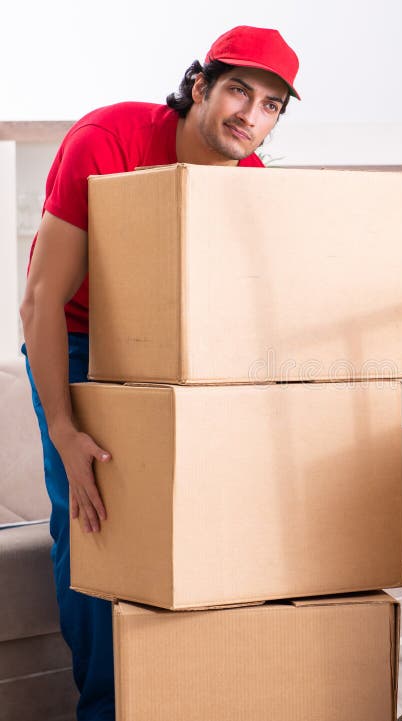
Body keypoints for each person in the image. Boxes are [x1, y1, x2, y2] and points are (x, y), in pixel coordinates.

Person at [18, 25, 300, 721]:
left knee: (194, 519)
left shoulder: (248, 182)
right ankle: (106, 706)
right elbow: (40, 299)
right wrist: (63, 427)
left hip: (169, 345)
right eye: (239, 89)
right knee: (92, 520)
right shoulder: (108, 141)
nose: (250, 116)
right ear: (200, 86)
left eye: (271, 105)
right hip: (81, 337)